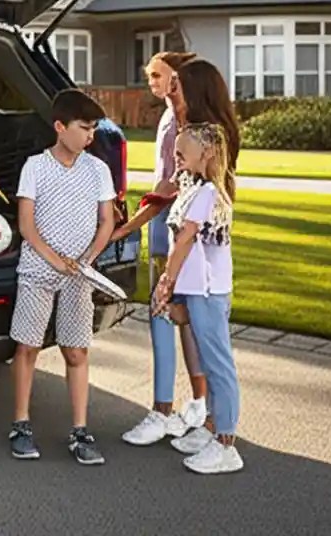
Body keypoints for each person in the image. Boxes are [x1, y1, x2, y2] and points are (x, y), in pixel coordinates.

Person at [8, 89, 115, 466]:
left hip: (78, 275)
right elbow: (26, 224)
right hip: (38, 269)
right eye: (84, 128)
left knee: (76, 349)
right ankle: (21, 425)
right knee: (28, 346)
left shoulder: (97, 169)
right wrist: (53, 258)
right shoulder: (35, 167)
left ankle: (80, 430)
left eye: (94, 129)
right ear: (60, 127)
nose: (91, 136)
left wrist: (88, 257)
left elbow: (107, 221)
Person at [117, 52, 209, 447]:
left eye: (159, 75)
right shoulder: (169, 118)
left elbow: (169, 188)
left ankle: (163, 412)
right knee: (181, 318)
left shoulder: (191, 125)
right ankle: (200, 408)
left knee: (168, 315)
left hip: (178, 232)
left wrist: (123, 229)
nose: (153, 81)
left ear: (178, 76)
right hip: (164, 229)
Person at [151, 122, 243, 474]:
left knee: (219, 366)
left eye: (181, 153)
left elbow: (186, 239)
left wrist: (166, 281)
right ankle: (212, 430)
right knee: (210, 361)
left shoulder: (207, 193)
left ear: (205, 153)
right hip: (197, 292)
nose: (176, 158)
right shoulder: (197, 189)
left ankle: (226, 444)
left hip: (208, 292)